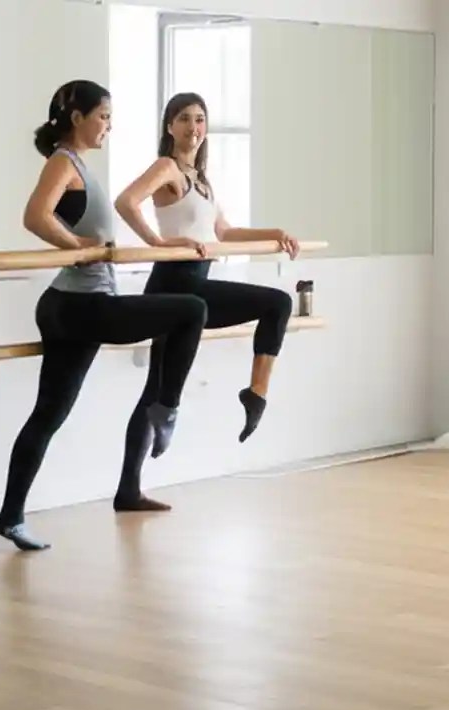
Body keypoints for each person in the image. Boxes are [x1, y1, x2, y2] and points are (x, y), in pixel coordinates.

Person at [0, 80, 208, 551]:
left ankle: (11, 517)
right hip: (82, 305)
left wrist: (94, 249)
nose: (109, 125)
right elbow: (35, 216)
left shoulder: (79, 166)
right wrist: (79, 248)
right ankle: (167, 408)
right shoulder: (62, 162)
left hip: (71, 305)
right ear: (77, 118)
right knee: (191, 309)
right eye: (104, 116)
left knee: (48, 414)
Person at [112, 92, 301, 511]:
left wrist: (276, 234)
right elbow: (125, 202)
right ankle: (129, 489)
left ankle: (256, 394)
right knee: (155, 393)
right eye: (184, 119)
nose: (193, 128)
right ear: (169, 127)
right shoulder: (167, 168)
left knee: (276, 304)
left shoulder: (202, 178)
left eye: (199, 120)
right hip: (172, 288)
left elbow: (225, 232)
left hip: (197, 286)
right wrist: (160, 243)